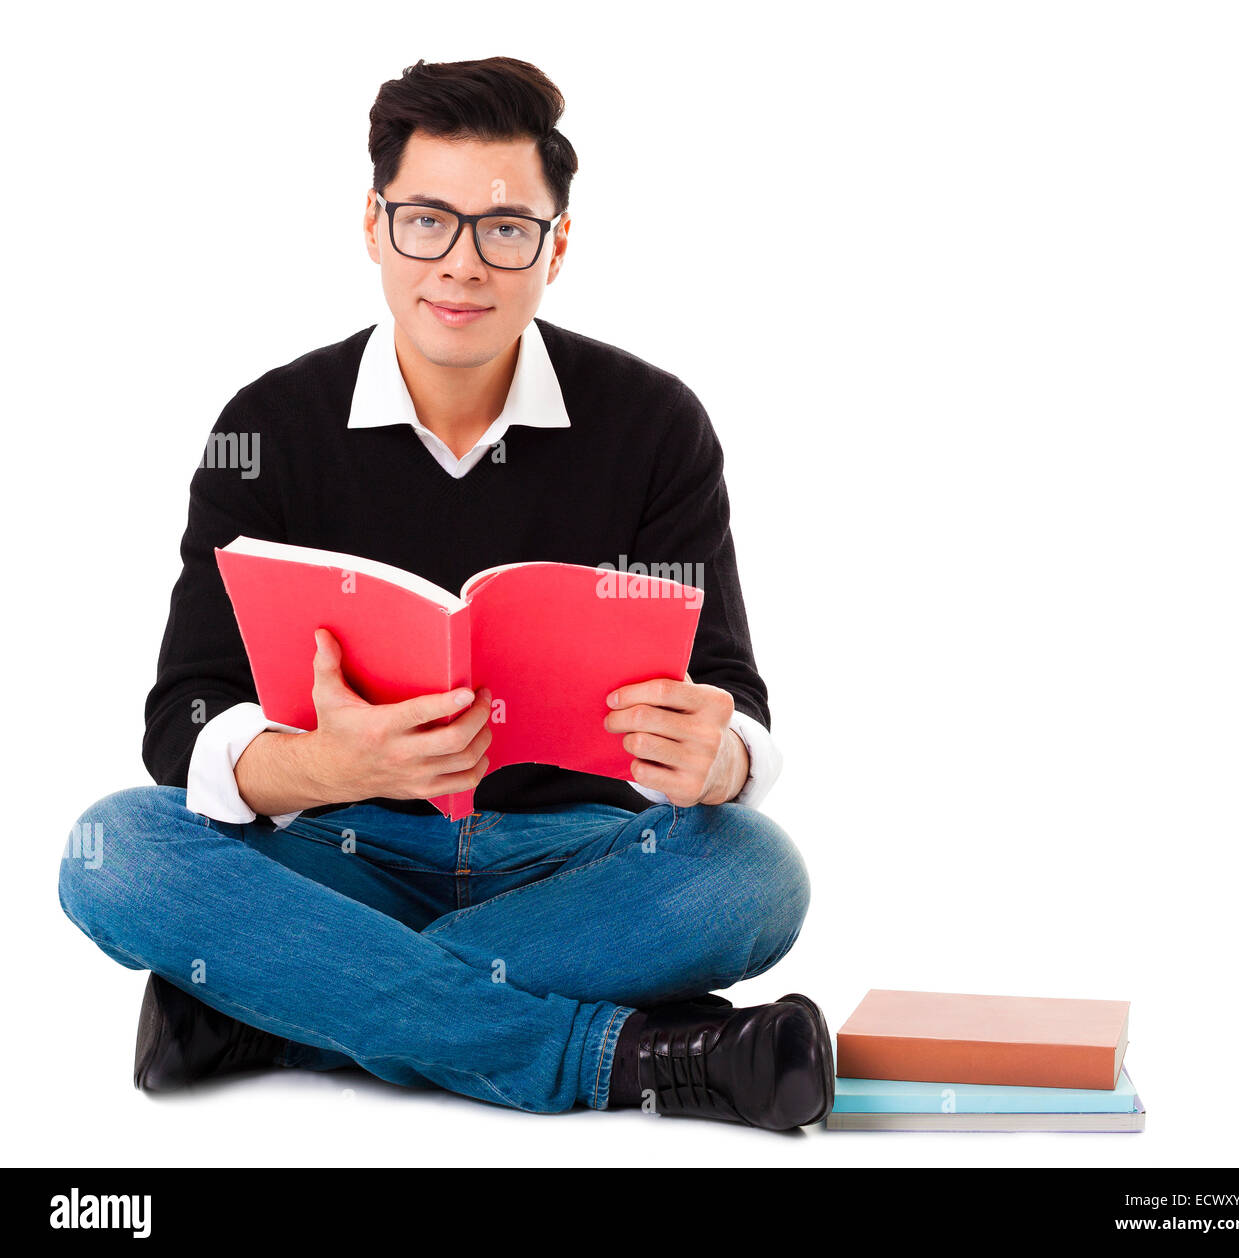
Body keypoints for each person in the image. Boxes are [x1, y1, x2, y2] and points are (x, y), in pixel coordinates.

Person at [58, 55, 832, 1130]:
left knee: (754, 871)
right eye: (427, 220)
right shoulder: (269, 428)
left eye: (504, 228)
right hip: (341, 854)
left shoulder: (655, 424)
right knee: (119, 847)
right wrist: (330, 762)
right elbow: (180, 721)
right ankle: (626, 1056)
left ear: (556, 245)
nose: (462, 264)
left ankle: (277, 1008)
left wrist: (724, 751)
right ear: (373, 227)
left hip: (578, 868)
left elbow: (730, 693)